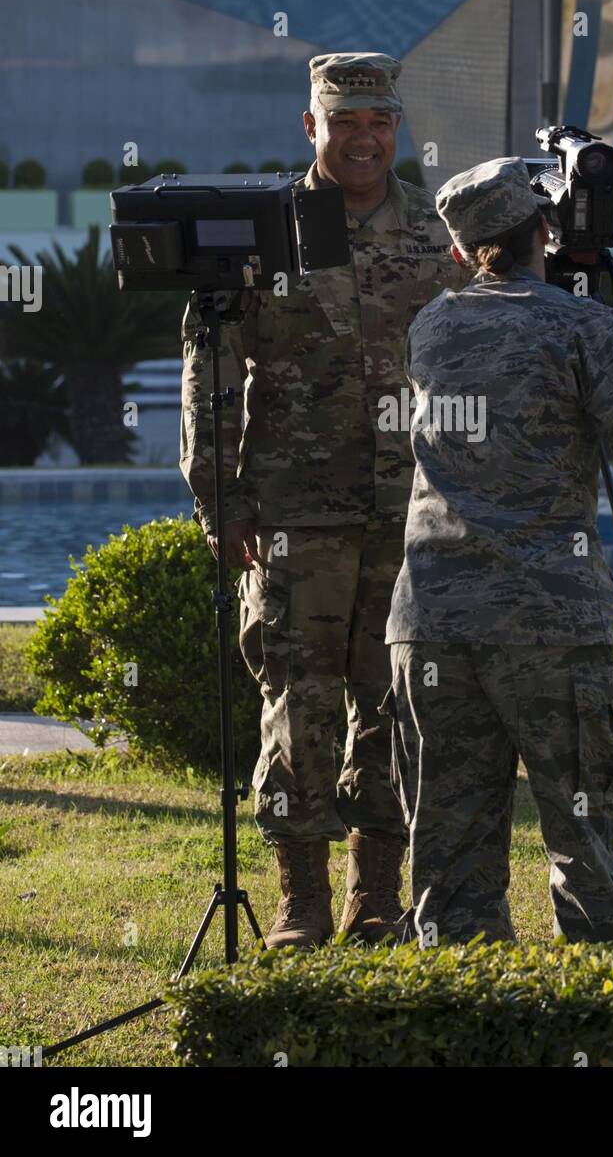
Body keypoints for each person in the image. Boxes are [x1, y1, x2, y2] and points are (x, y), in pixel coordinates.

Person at [179, 52, 465, 947]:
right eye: (344, 121)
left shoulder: (437, 230)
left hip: (411, 504)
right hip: (295, 505)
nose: (364, 138)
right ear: (313, 127)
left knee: (391, 695)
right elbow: (211, 370)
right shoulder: (266, 228)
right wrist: (217, 497)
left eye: (378, 120)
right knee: (296, 698)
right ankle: (300, 894)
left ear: (396, 126)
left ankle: (374, 892)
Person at [384, 156, 613, 946]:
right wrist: (609, 310)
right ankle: (601, 1013)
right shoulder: (578, 324)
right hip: (549, 622)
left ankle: (465, 1010)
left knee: (448, 845)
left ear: (460, 252)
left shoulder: (430, 326)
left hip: (430, 621)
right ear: (544, 232)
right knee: (584, 832)